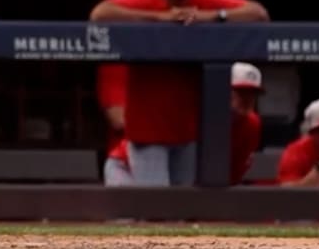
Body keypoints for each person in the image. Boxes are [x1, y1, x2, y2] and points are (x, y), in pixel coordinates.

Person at [88, 0, 269, 186]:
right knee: (157, 211)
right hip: (148, 129)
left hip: (188, 128)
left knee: (183, 211)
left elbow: (258, 13)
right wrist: (159, 18)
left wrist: (213, 15)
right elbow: (100, 14)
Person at [102, 63, 264, 187]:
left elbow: (232, 173)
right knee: (142, 221)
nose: (246, 99)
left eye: (252, 94)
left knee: (177, 219)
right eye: (239, 93)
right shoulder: (198, 112)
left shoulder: (252, 125)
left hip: (176, 171)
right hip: (125, 166)